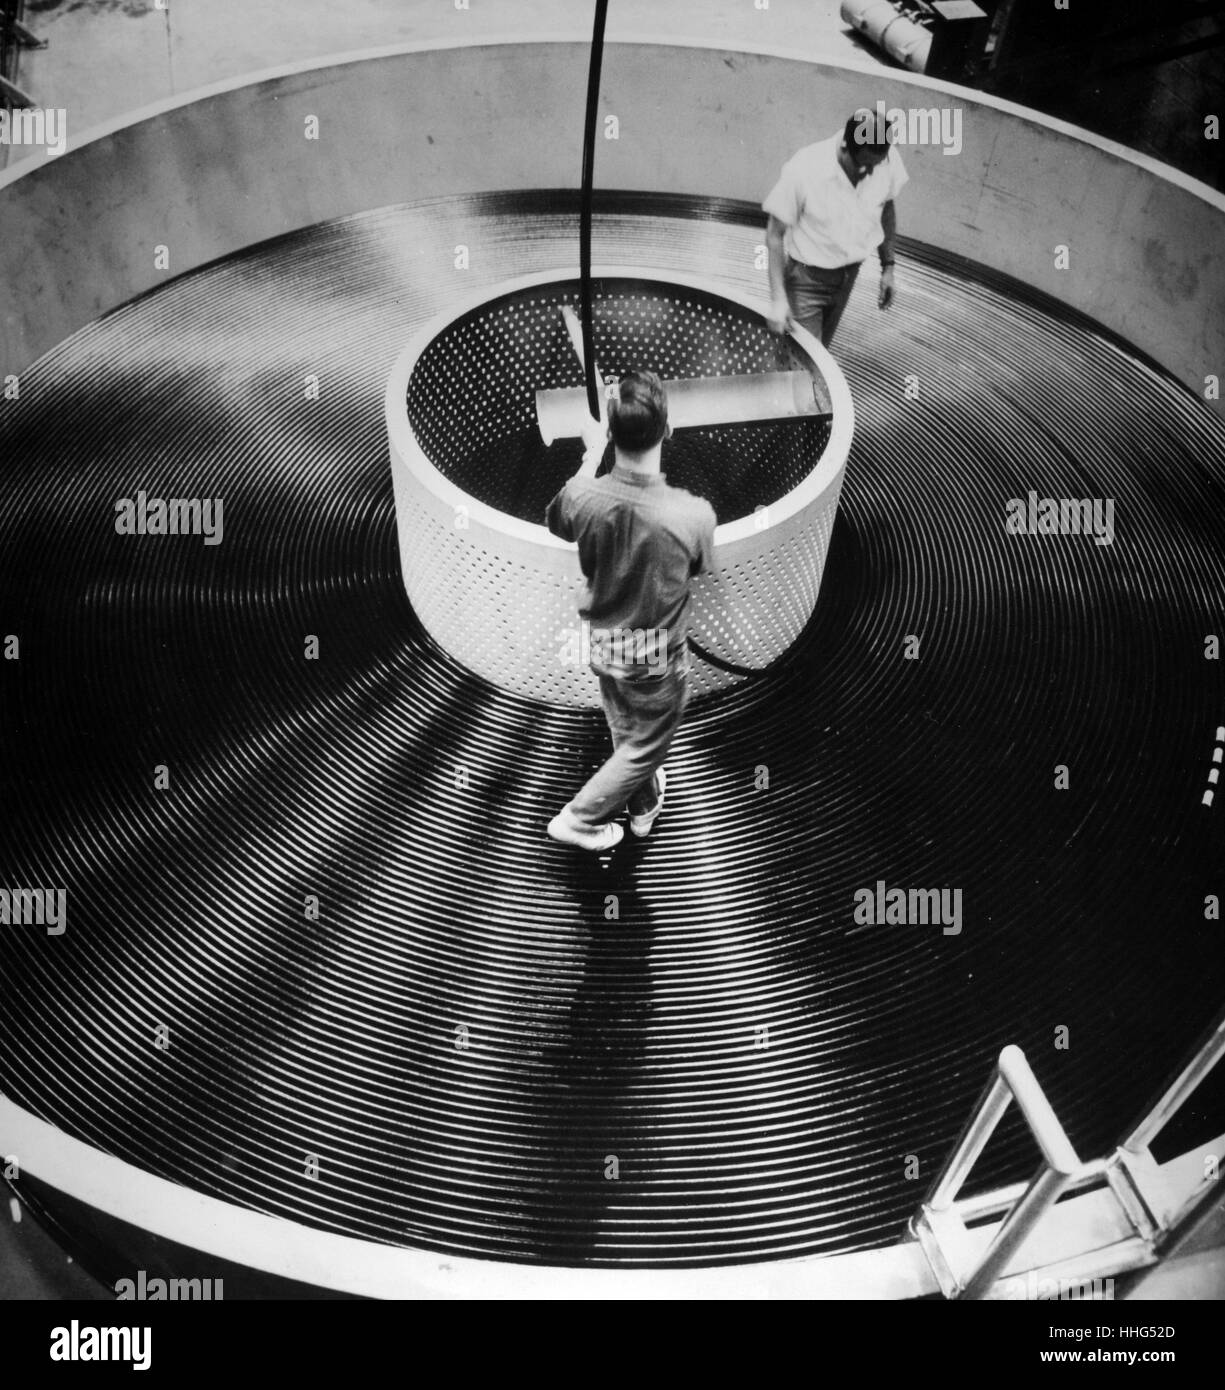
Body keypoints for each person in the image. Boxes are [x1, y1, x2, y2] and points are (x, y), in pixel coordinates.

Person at [544, 370, 716, 852]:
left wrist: (588, 453)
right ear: (667, 429)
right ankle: (578, 819)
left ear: (610, 432)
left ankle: (642, 809)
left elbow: (558, 517)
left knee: (625, 728)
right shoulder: (693, 513)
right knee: (647, 745)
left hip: (605, 645)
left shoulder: (584, 498)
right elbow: (699, 566)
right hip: (658, 659)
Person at [763, 106, 908, 347]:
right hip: (806, 283)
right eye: (863, 166)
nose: (870, 173)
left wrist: (888, 267)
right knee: (805, 367)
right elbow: (774, 235)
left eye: (877, 165)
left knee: (819, 359)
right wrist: (778, 299)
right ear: (844, 147)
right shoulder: (805, 168)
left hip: (848, 278)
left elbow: (887, 206)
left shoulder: (886, 159)